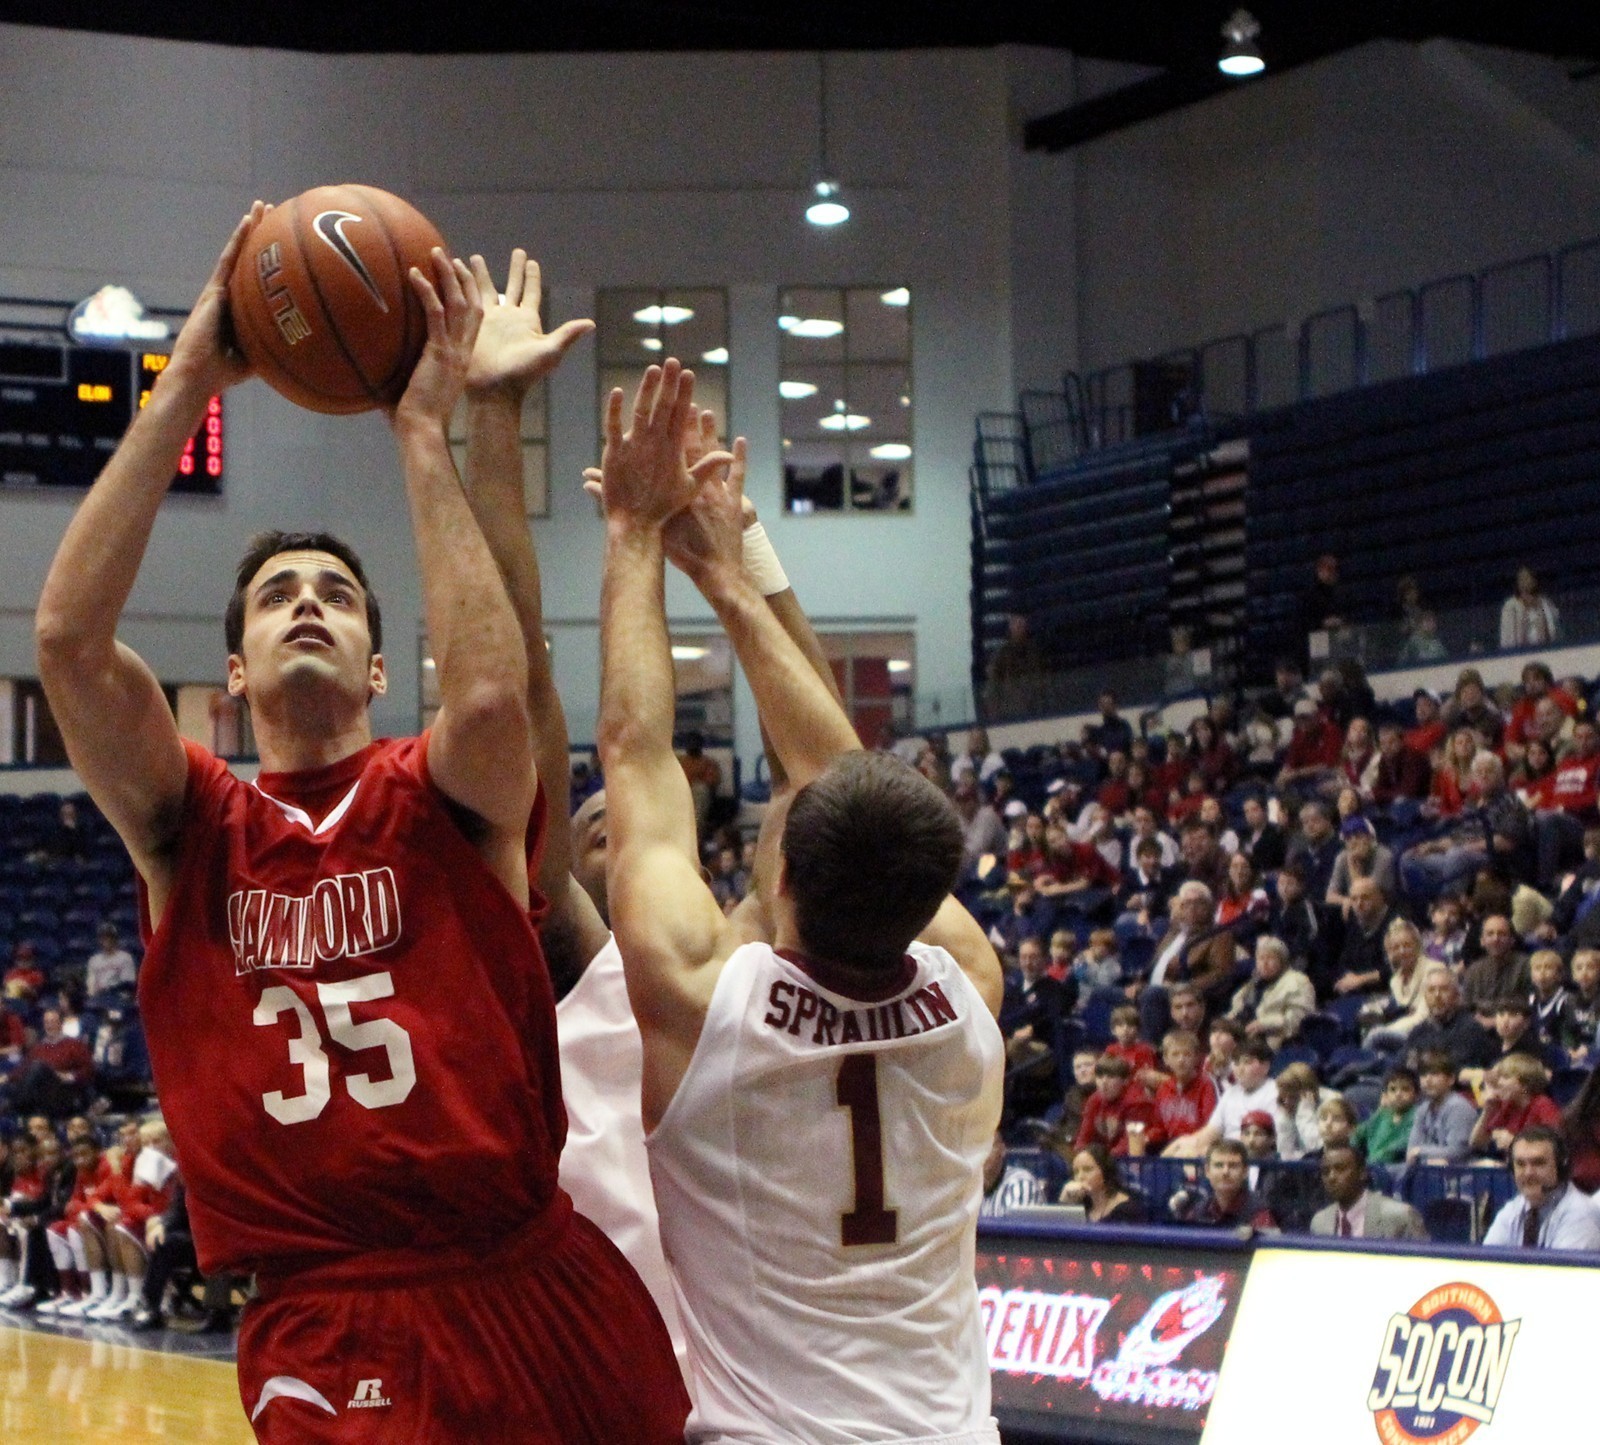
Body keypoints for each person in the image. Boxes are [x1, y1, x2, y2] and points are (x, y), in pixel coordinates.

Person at [35, 225, 685, 1440]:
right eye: (279, 596)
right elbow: (70, 644)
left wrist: (425, 430)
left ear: (382, 666)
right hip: (337, 1314)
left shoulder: (441, 794)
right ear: (230, 673)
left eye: (334, 593)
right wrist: (186, 377)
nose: (308, 606)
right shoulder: (194, 827)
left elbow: (495, 696)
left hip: (537, 1273)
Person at [596, 358, 1005, 1443]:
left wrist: (639, 531)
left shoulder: (702, 1001)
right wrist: (738, 570)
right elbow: (833, 770)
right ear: (929, 903)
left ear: (776, 878)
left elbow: (640, 753)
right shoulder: (972, 992)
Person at [1482, 1127, 1600, 1250]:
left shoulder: (1581, 1214)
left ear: (1561, 1167)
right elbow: (1487, 1263)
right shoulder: (1513, 1209)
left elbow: (1561, 1269)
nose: (1528, 1173)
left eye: (1538, 1163)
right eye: (1520, 1164)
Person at [1165, 1037, 1277, 1156]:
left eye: (1247, 1062)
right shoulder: (1231, 1093)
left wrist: (1205, 1151)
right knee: (1180, 1147)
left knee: (1192, 1154)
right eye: (1236, 1063)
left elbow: (1264, 1141)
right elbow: (1211, 1132)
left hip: (1253, 1156)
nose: (1240, 1069)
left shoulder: (1274, 1092)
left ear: (1265, 1066)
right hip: (1225, 1152)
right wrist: (1182, 1144)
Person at [1310, 1147, 1427, 1240]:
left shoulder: (1400, 1216)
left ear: (1362, 1173)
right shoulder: (1319, 1222)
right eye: (1325, 1172)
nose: (1331, 1177)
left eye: (1340, 1169)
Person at [1168, 1139, 1277, 1230]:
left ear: (1245, 1172)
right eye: (1219, 1165)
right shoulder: (1198, 1212)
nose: (1225, 1172)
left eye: (1233, 1166)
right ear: (1207, 1171)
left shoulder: (1260, 1213)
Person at [1229, 936, 1315, 1050]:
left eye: (1270, 958)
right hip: (1245, 1041)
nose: (1264, 964)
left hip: (1275, 1044)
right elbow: (1235, 1011)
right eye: (1260, 958)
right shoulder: (1252, 984)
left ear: (1282, 960)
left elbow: (1300, 1019)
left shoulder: (1297, 981)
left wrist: (1265, 1024)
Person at [1471, 1056, 1560, 1161]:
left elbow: (1557, 1147)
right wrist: (1488, 1110)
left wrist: (1514, 1142)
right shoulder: (1507, 1105)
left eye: (1505, 1077)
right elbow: (1477, 1143)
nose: (1499, 1083)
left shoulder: (1543, 1105)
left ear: (1525, 1084)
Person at [1074, 1054, 1161, 1157]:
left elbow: (1129, 1142)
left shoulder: (1137, 1102)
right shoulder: (1094, 1100)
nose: (1104, 1082)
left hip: (1141, 1156)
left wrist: (1104, 1161)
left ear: (1125, 1081)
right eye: (1100, 1077)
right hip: (1107, 1157)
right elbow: (1084, 1137)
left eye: (1111, 1077)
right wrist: (1079, 1153)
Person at [1406, 1051, 1479, 1166]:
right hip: (1427, 1171)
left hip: (1461, 1173)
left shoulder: (1459, 1107)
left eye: (1434, 1074)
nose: (1427, 1080)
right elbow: (1411, 1151)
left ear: (1450, 1079)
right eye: (1424, 1075)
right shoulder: (1422, 1109)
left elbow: (1458, 1151)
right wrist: (1418, 1153)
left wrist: (1420, 1151)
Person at [1059, 1142, 1148, 1223]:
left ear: (1105, 1171)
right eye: (1076, 1172)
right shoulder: (1080, 1206)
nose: (1080, 1177)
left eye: (1087, 1169)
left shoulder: (1127, 1210)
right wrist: (1065, 1203)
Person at [1351, 1068, 1420, 1165]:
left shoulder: (1418, 1116)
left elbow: (1399, 1147)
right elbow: (1358, 1134)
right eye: (1392, 1089)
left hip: (1398, 1168)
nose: (1398, 1094)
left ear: (1416, 1095)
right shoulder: (1381, 1114)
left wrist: (1370, 1163)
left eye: (1405, 1089)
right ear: (1386, 1094)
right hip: (1371, 1166)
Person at [1500, 566, 1561, 650]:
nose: (1524, 581)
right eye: (1521, 578)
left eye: (1527, 577)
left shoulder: (1546, 603)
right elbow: (1507, 638)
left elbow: (1555, 632)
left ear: (1534, 581)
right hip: (1518, 653)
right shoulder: (1510, 606)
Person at [83, 922, 138, 999]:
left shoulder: (125, 958)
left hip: (118, 997)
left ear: (115, 938)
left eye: (109, 937)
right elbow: (91, 985)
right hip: (99, 998)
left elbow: (128, 984)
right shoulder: (94, 960)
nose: (106, 940)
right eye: (103, 937)